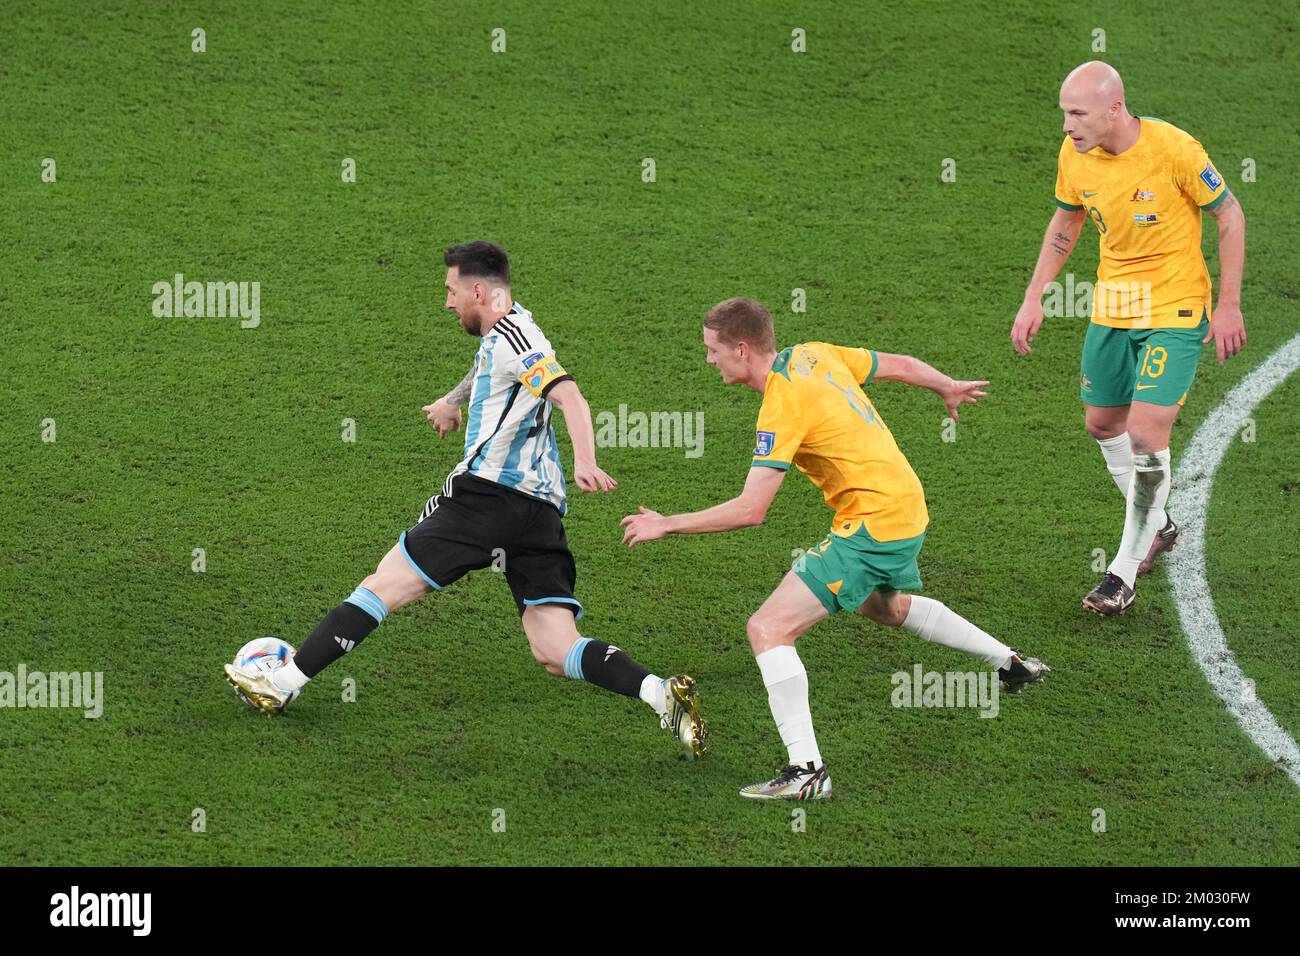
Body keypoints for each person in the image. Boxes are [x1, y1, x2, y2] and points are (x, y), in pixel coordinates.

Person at [225, 241, 708, 760]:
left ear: (479, 290)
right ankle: (659, 694)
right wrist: (451, 402)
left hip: (484, 501)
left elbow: (570, 396)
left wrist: (586, 460)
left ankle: (283, 682)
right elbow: (491, 369)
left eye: (452, 291)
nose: (448, 302)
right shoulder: (516, 328)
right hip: (538, 517)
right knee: (555, 647)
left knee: (381, 587)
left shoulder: (514, 336)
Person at [620, 297, 1048, 800]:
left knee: (768, 627)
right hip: (906, 506)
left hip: (875, 522)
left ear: (741, 349)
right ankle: (1011, 663)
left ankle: (807, 772)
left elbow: (751, 509)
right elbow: (904, 366)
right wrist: (946, 385)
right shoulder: (813, 353)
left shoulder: (781, 404)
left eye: (713, 350)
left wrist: (667, 523)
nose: (709, 359)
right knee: (886, 608)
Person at [1010, 61, 1247, 614]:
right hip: (1115, 305)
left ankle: (1121, 573)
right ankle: (1159, 524)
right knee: (1103, 424)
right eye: (1064, 113)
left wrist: (1229, 303)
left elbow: (1229, 216)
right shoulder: (1075, 154)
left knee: (1144, 433)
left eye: (1077, 113)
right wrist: (1034, 294)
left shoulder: (1175, 150)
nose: (1067, 125)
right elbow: (1066, 222)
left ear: (1115, 108)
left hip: (1176, 305)